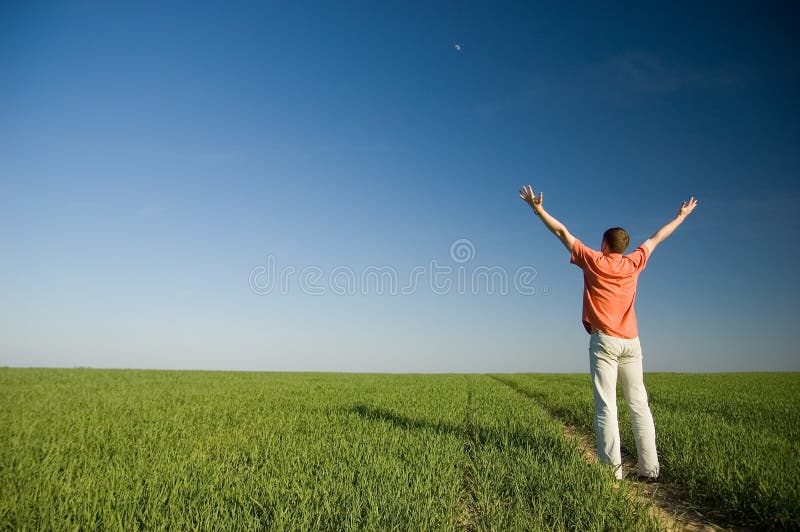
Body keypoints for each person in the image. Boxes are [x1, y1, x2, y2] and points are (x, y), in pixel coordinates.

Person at [518, 184, 697, 481]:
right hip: (632, 342)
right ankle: (650, 470)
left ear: (604, 244)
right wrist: (681, 216)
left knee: (606, 406)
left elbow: (562, 233)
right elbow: (657, 238)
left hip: (605, 342)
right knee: (639, 404)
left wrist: (537, 209)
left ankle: (611, 475)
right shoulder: (634, 262)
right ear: (623, 247)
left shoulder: (593, 260)